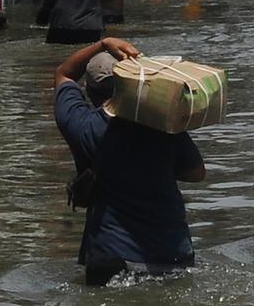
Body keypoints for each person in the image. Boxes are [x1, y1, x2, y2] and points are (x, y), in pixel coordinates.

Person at [53, 37, 206, 285]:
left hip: (113, 256)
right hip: (173, 251)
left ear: (90, 91)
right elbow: (197, 172)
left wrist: (103, 43)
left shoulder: (81, 126)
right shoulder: (161, 121)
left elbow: (64, 74)